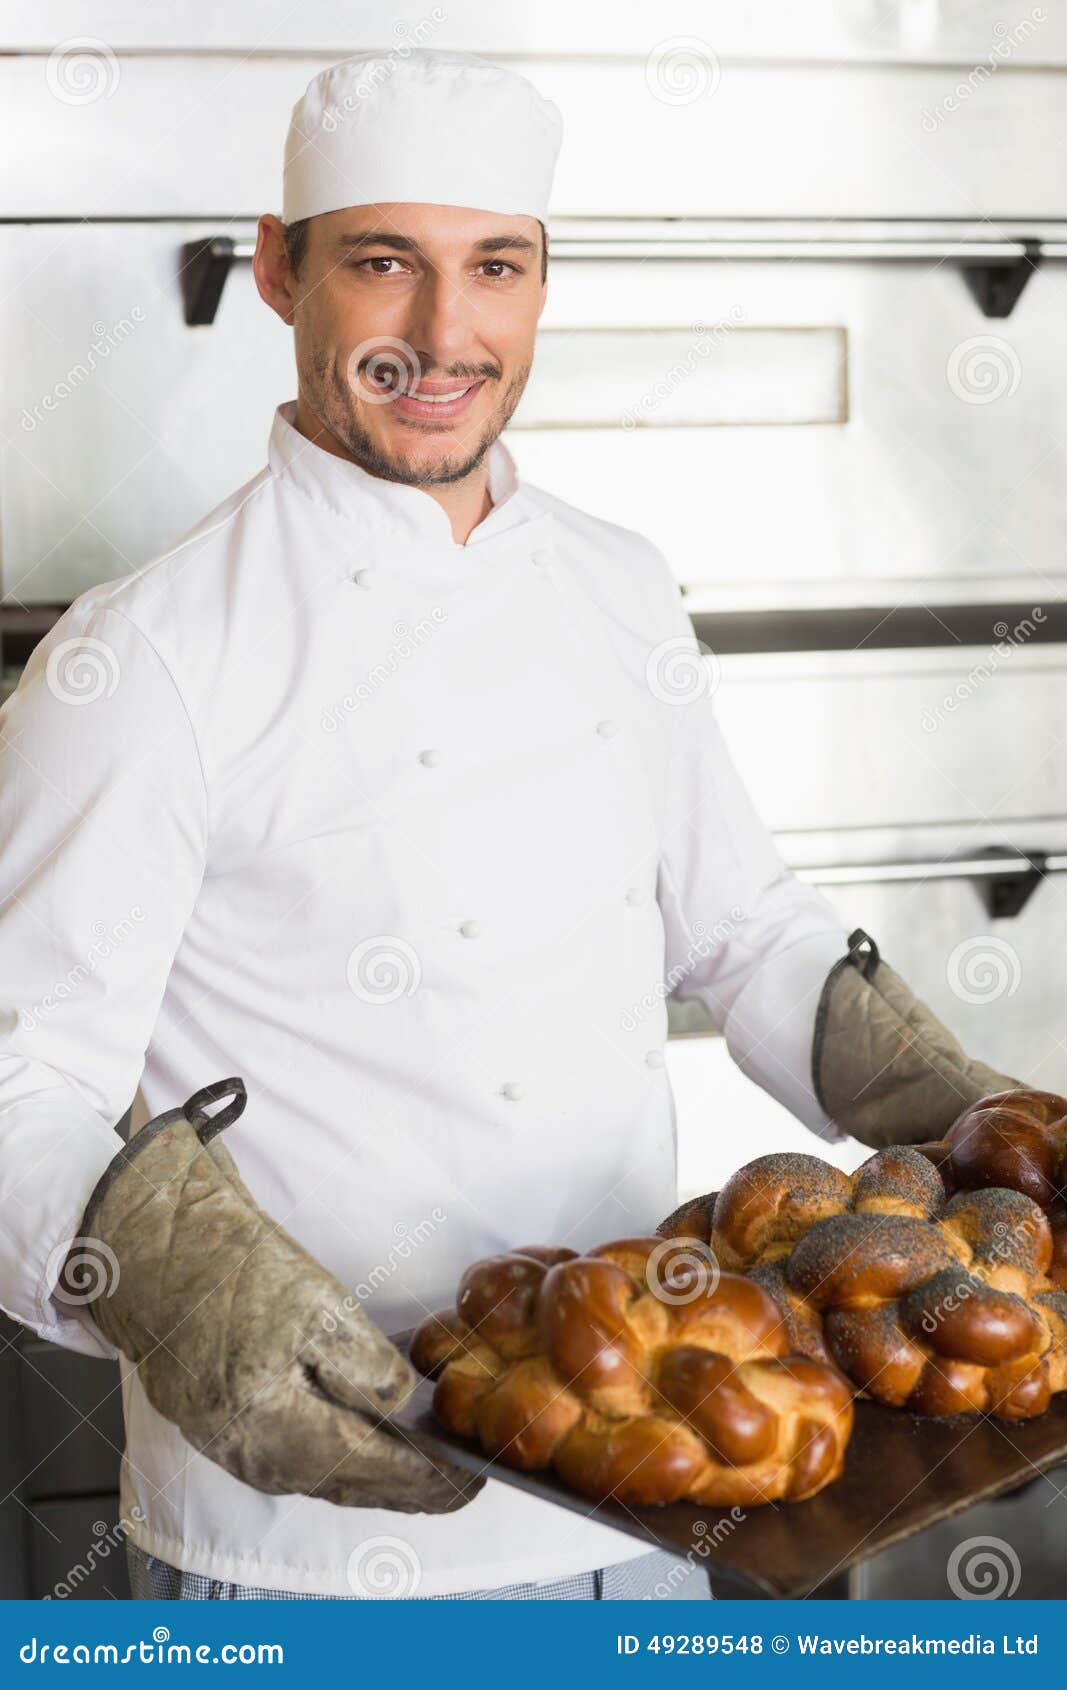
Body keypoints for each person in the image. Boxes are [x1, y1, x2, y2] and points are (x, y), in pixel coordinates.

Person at [0, 48, 1013, 1602]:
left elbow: (746, 933)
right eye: (381, 262)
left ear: (543, 286)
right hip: (307, 1556)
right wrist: (177, 1280)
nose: (441, 334)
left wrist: (954, 1103)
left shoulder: (616, 583)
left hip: (649, 1501)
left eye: (494, 268)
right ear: (281, 273)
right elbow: (25, 1072)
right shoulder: (144, 656)